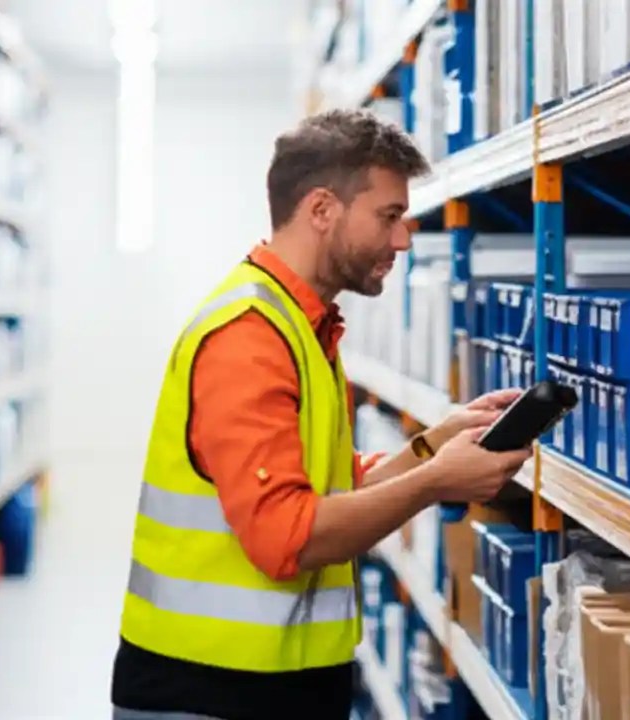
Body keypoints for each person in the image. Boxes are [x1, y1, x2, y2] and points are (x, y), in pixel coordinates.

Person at [111, 109, 533, 720]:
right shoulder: (249, 335)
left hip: (270, 688)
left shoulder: (302, 325)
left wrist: (431, 448)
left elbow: (321, 489)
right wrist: (436, 484)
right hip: (210, 694)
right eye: (389, 216)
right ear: (321, 210)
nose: (404, 239)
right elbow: (288, 535)